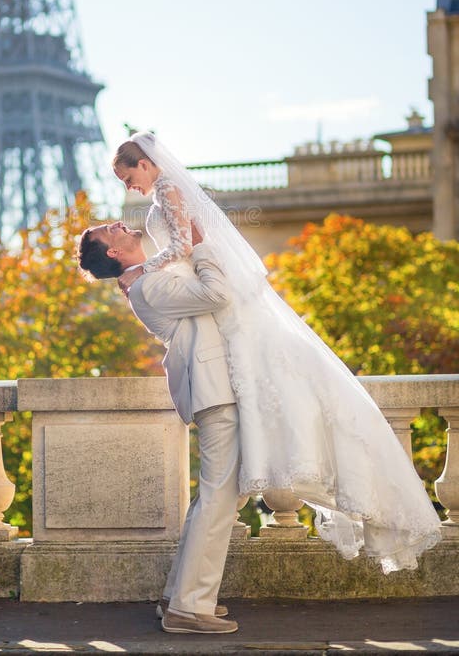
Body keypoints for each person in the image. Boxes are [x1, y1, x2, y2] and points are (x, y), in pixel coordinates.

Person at [107, 131, 442, 575]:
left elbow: (183, 248)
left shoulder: (166, 190)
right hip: (212, 307)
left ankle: (189, 597)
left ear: (146, 163)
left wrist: (140, 269)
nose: (129, 187)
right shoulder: (162, 201)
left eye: (129, 176)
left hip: (213, 299)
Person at [78, 218, 241, 635]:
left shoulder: (146, 279)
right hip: (214, 391)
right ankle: (189, 607)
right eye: (108, 230)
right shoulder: (148, 285)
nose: (118, 223)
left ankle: (179, 596)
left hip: (211, 389)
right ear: (113, 252)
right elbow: (217, 294)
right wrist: (201, 246)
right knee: (218, 500)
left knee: (214, 498)